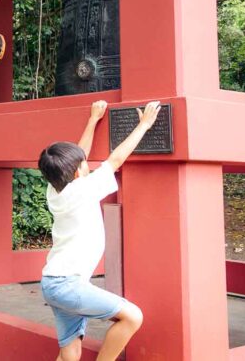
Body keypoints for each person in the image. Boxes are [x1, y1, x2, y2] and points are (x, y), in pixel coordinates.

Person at [38, 100, 162, 361]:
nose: (87, 164)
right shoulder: (83, 190)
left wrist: (93, 119)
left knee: (70, 353)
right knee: (132, 317)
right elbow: (115, 160)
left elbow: (78, 156)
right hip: (67, 284)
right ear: (76, 173)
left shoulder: (56, 189)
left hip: (54, 282)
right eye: (82, 165)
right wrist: (144, 125)